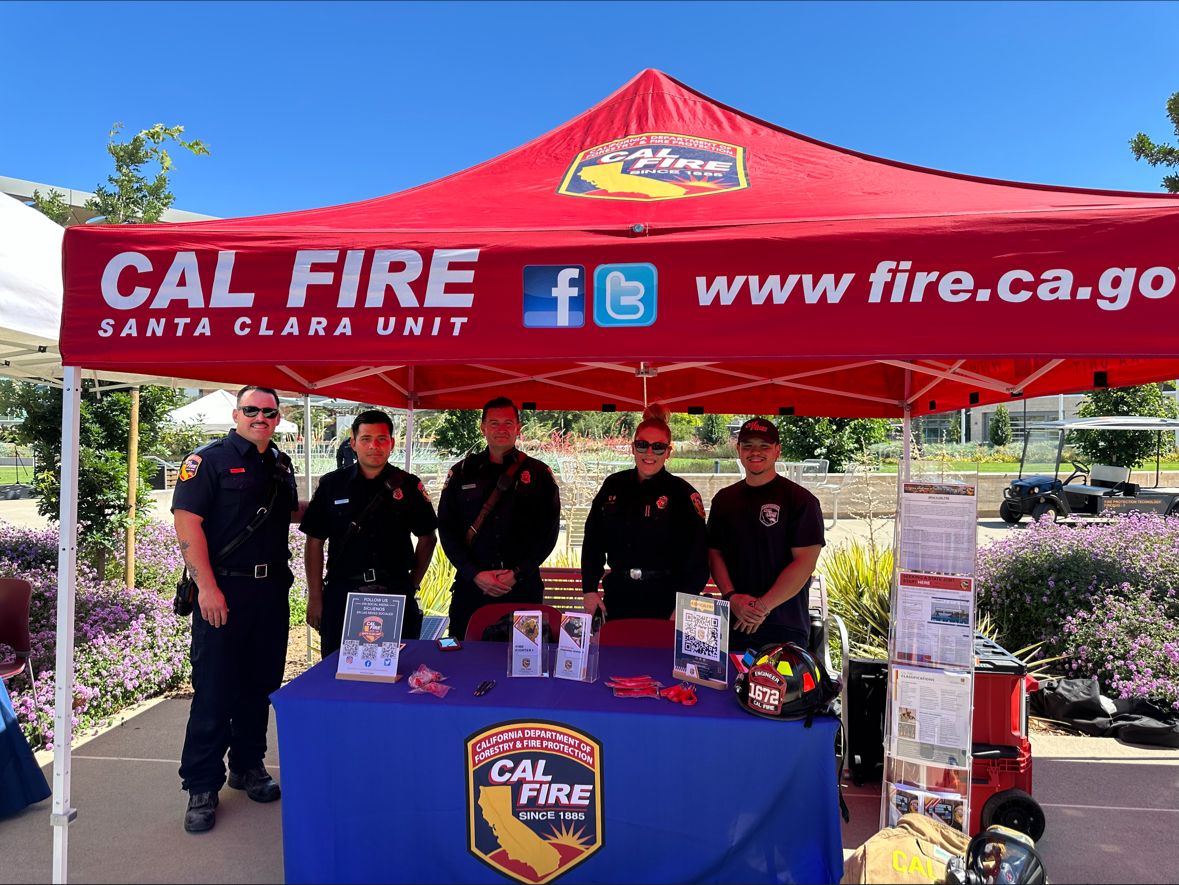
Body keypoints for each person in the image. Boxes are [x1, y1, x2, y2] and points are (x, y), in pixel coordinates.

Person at [172, 385, 305, 834]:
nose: (260, 417)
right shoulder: (205, 460)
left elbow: (287, 514)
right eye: (252, 410)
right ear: (236, 413)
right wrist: (206, 588)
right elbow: (187, 522)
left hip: (270, 595)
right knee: (214, 689)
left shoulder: (281, 464)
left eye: (269, 412)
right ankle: (202, 785)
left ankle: (247, 766)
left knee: (260, 685)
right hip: (223, 592)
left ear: (277, 417)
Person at [300, 409, 437, 655]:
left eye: (382, 439)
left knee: (396, 670)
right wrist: (316, 597)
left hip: (393, 592)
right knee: (337, 671)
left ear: (392, 443)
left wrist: (411, 585)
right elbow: (314, 541)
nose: (374, 445)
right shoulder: (332, 485)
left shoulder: (408, 485)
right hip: (343, 594)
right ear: (353, 443)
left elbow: (428, 538)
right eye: (366, 439)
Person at [437, 396, 560, 640]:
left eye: (507, 423)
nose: (501, 429)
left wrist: (517, 573)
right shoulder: (461, 472)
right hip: (472, 588)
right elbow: (447, 531)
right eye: (494, 423)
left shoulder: (538, 474)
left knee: (526, 664)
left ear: (518, 428)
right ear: (482, 427)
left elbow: (548, 534)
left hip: (522, 588)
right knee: (466, 661)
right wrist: (474, 574)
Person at [580, 404, 709, 621]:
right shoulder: (613, 486)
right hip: (619, 598)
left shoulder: (682, 494)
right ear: (632, 448)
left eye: (658, 447)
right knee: (615, 655)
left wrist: (686, 602)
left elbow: (698, 557)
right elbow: (593, 540)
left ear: (668, 452)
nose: (649, 453)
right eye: (642, 445)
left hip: (667, 602)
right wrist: (589, 590)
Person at [707, 417, 824, 652]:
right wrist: (731, 598)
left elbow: (805, 563)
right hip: (733, 624)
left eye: (764, 446)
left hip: (784, 626)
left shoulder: (800, 500)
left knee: (781, 690)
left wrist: (761, 607)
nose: (755, 452)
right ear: (738, 450)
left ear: (777, 450)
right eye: (748, 445)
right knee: (727, 689)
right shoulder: (724, 499)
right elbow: (714, 552)